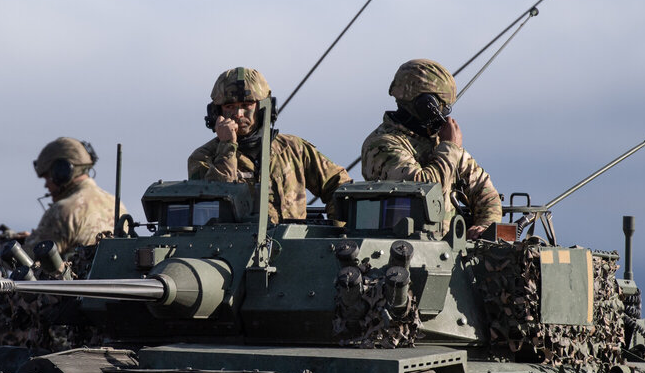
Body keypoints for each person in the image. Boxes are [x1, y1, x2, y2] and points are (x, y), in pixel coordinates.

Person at [360, 59, 502, 239]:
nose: (444, 112)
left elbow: (485, 192)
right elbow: (424, 190)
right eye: (440, 106)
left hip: (449, 254)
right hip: (404, 251)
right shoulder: (382, 145)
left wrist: (485, 225)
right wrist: (449, 148)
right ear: (426, 105)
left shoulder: (440, 143)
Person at [188, 67, 350, 222]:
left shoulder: (294, 149)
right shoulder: (203, 158)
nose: (238, 114)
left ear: (263, 108)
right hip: (230, 248)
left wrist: (336, 232)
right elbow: (212, 202)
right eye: (230, 107)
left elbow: (340, 186)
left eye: (247, 105)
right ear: (216, 113)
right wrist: (227, 147)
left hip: (294, 247)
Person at [0, 137, 120, 260]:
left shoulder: (64, 210)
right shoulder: (117, 205)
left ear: (61, 173)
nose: (46, 185)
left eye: (47, 178)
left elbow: (26, 260)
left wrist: (4, 249)